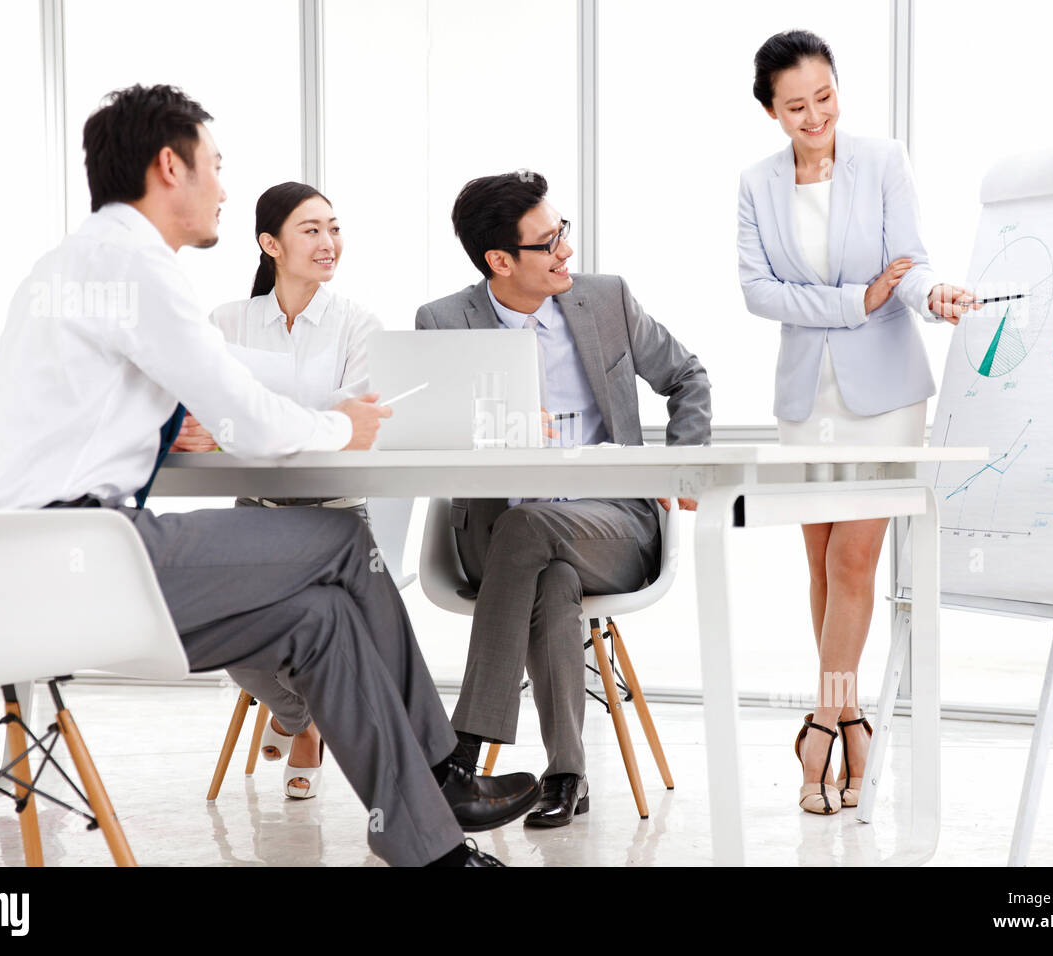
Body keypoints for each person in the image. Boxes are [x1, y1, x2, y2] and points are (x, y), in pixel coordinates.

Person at [0, 84, 539, 866]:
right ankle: (441, 769)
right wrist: (340, 429)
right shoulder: (132, 265)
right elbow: (247, 412)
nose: (222, 187)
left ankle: (430, 847)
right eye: (215, 166)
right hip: (67, 558)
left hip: (11, 570)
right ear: (168, 166)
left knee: (319, 623)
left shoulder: (80, 262)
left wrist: (318, 403)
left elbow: (226, 369)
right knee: (339, 539)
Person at [416, 170, 711, 827]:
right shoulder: (443, 323)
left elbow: (687, 375)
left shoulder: (606, 301)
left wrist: (679, 468)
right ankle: (567, 777)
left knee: (531, 533)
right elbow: (430, 434)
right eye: (547, 243)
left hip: (614, 523)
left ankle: (461, 757)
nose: (566, 252)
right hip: (497, 536)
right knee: (545, 570)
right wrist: (500, 429)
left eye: (563, 232)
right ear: (499, 261)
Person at [736, 31, 974, 815]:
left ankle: (821, 724)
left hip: (885, 395)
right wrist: (855, 301)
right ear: (772, 111)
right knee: (820, 562)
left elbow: (910, 262)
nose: (817, 117)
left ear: (839, 88)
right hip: (810, 402)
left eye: (826, 97)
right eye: (797, 105)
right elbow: (759, 292)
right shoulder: (757, 185)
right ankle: (854, 714)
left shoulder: (882, 161)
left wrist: (928, 294)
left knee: (854, 563)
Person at [175, 181, 382, 799]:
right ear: (271, 244)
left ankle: (300, 723)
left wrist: (260, 421)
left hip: (337, 518)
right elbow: (204, 418)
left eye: (334, 228)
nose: (329, 242)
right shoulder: (228, 322)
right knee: (226, 623)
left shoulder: (358, 325)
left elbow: (357, 428)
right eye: (311, 230)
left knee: (317, 624)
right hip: (257, 511)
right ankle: (301, 719)